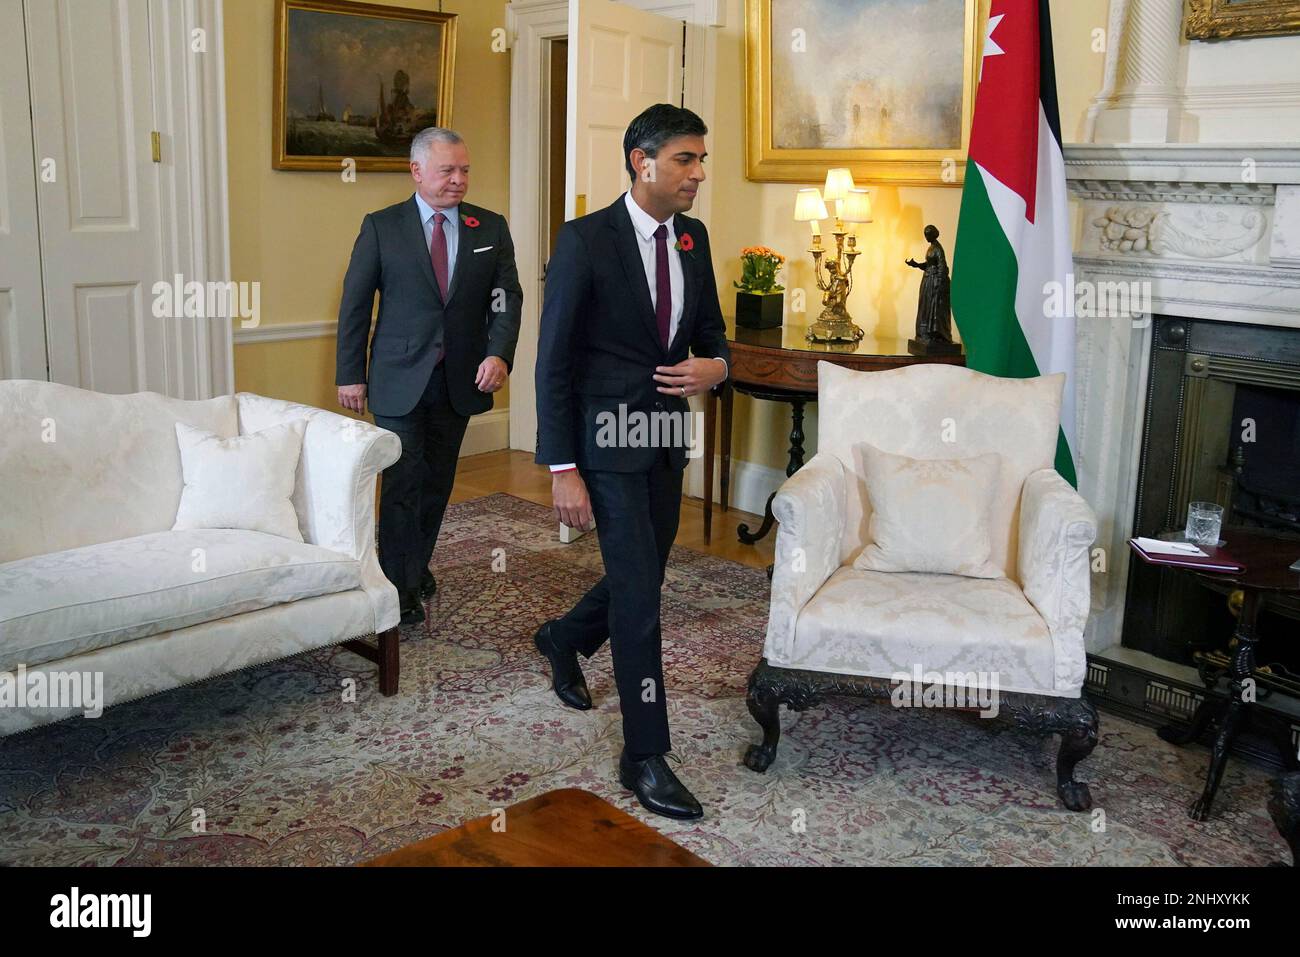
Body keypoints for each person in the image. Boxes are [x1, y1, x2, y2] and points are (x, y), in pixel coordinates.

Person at [533, 104, 730, 820]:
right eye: (686, 159)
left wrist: (716, 366)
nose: (698, 173)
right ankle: (643, 754)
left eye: (701, 159)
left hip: (667, 439)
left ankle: (564, 636)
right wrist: (561, 466)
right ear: (641, 161)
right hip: (605, 442)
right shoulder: (586, 241)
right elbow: (552, 362)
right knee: (641, 597)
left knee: (644, 570)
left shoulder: (694, 238)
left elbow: (711, 332)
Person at [336, 127, 521, 625]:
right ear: (417, 171)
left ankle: (413, 566)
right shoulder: (382, 226)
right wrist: (350, 374)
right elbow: (355, 305)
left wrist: (499, 353)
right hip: (398, 379)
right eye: (447, 170)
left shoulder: (491, 228)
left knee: (437, 483)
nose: (458, 180)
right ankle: (398, 589)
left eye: (464, 170)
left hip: (461, 380)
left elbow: (507, 299)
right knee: (401, 483)